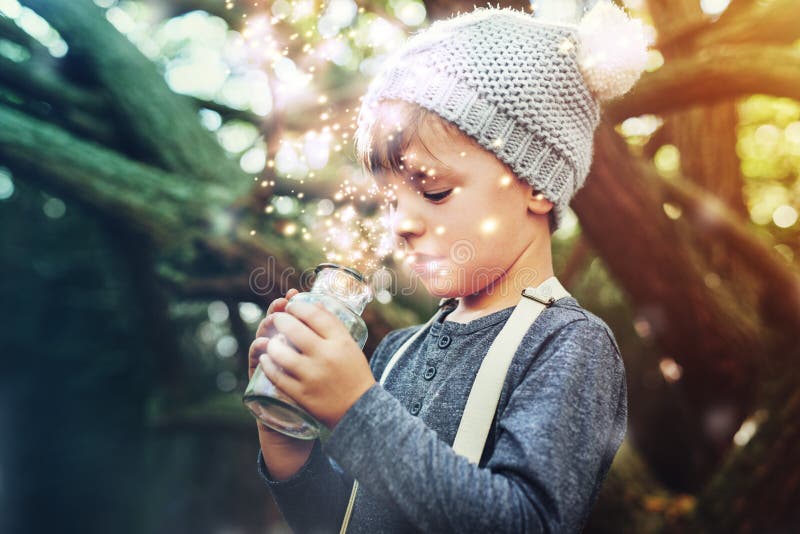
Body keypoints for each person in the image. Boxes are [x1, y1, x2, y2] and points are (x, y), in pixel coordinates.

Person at [248, 3, 648, 532]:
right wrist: (288, 445)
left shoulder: (566, 345)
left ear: (535, 184)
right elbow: (346, 521)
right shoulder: (394, 353)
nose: (402, 225)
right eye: (390, 202)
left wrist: (356, 410)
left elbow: (526, 522)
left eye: (433, 190)